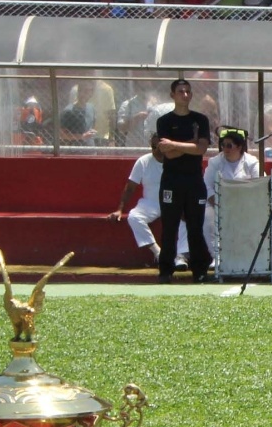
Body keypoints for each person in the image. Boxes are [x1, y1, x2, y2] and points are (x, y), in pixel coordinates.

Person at [152, 76, 213, 282]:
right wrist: (190, 145)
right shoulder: (164, 121)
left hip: (194, 181)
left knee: (195, 227)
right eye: (180, 92)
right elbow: (168, 155)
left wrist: (175, 144)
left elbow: (201, 149)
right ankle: (166, 270)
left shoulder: (200, 120)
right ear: (172, 95)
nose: (185, 95)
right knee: (170, 227)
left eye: (188, 91)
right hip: (171, 181)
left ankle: (200, 270)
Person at [107, 133, 186, 266]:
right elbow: (130, 188)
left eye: (158, 146)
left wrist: (184, 205)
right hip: (150, 203)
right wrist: (119, 210)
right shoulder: (143, 161)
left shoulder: (177, 161)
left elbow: (186, 186)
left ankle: (181, 257)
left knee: (190, 219)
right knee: (134, 217)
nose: (155, 149)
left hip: (173, 202)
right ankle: (159, 253)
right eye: (153, 146)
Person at [203, 125, 261, 266]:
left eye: (229, 145)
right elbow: (206, 185)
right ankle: (217, 256)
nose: (225, 149)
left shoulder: (252, 162)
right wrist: (216, 202)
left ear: (240, 147)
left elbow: (259, 184)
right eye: (223, 145)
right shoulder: (215, 162)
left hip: (245, 204)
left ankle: (249, 256)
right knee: (207, 217)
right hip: (219, 202)